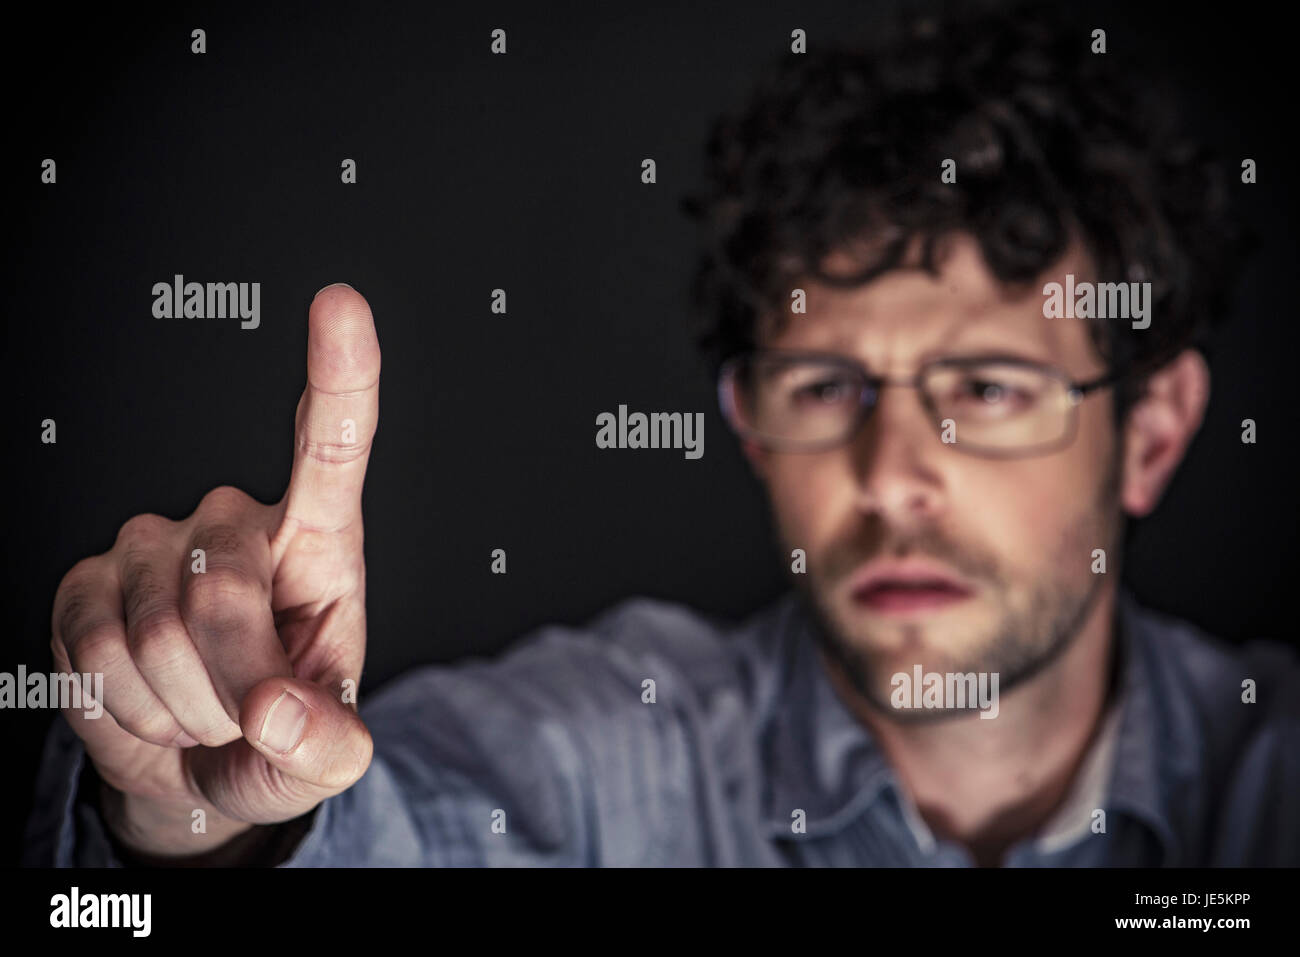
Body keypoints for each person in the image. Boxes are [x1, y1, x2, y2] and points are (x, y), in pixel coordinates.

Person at [24, 3, 1299, 867]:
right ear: (749, 427)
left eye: (989, 389)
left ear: (1150, 435)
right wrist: (190, 822)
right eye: (824, 390)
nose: (896, 477)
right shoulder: (605, 750)